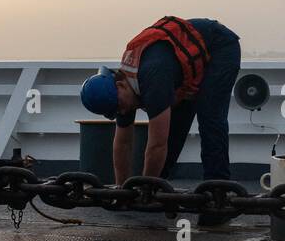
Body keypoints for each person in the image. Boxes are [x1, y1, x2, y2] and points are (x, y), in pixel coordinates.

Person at [80, 16, 241, 225]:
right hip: (183, 70)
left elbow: (157, 145)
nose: (122, 110)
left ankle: (218, 196)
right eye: (117, 110)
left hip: (220, 48)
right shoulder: (121, 90)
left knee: (210, 119)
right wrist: (121, 190)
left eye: (120, 106)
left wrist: (145, 189)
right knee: (175, 128)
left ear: (120, 86)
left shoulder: (151, 78)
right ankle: (159, 188)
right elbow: (123, 142)